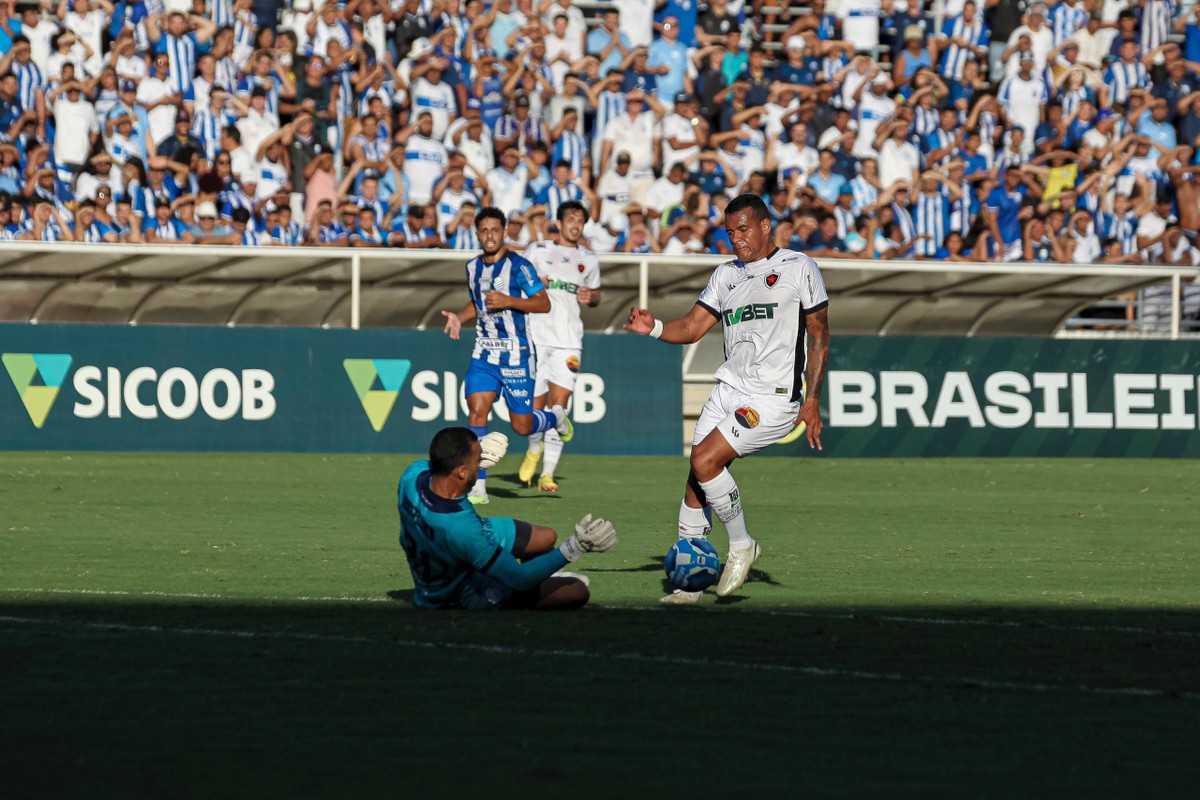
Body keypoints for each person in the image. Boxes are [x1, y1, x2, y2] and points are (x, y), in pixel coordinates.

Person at [624, 193, 830, 603]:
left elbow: (819, 333)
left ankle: (741, 544)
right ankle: (689, 586)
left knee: (705, 460)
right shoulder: (726, 275)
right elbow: (691, 327)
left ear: (765, 226)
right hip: (727, 390)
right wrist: (653, 327)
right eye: (730, 231)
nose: (736, 238)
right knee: (695, 480)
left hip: (771, 398)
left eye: (744, 229)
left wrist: (813, 397)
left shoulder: (799, 267)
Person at [397, 426, 618, 610]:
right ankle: (539, 579)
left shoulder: (413, 474)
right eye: (477, 460)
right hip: (460, 589)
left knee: (546, 537)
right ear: (461, 472)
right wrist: (574, 547)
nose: (481, 464)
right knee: (577, 591)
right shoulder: (461, 530)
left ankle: (542, 573)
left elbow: (441, 459)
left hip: (446, 540)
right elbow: (518, 578)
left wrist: (475, 448)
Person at [440, 206, 575, 505]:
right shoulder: (472, 267)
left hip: (517, 356)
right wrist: (459, 318)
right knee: (476, 412)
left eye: (494, 230)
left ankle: (554, 417)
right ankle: (478, 487)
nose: (489, 236)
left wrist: (510, 300)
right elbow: (477, 304)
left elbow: (543, 303)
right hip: (484, 354)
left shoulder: (519, 266)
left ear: (504, 232)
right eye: (483, 231)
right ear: (477, 234)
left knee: (522, 426)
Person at [518, 200, 602, 493]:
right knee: (532, 407)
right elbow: (517, 281)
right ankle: (533, 450)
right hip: (536, 335)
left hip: (568, 339)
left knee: (559, 407)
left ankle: (547, 474)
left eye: (580, 220)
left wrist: (591, 296)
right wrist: (531, 283)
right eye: (571, 219)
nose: (575, 224)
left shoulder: (589, 258)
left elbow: (596, 295)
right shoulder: (537, 250)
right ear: (560, 222)